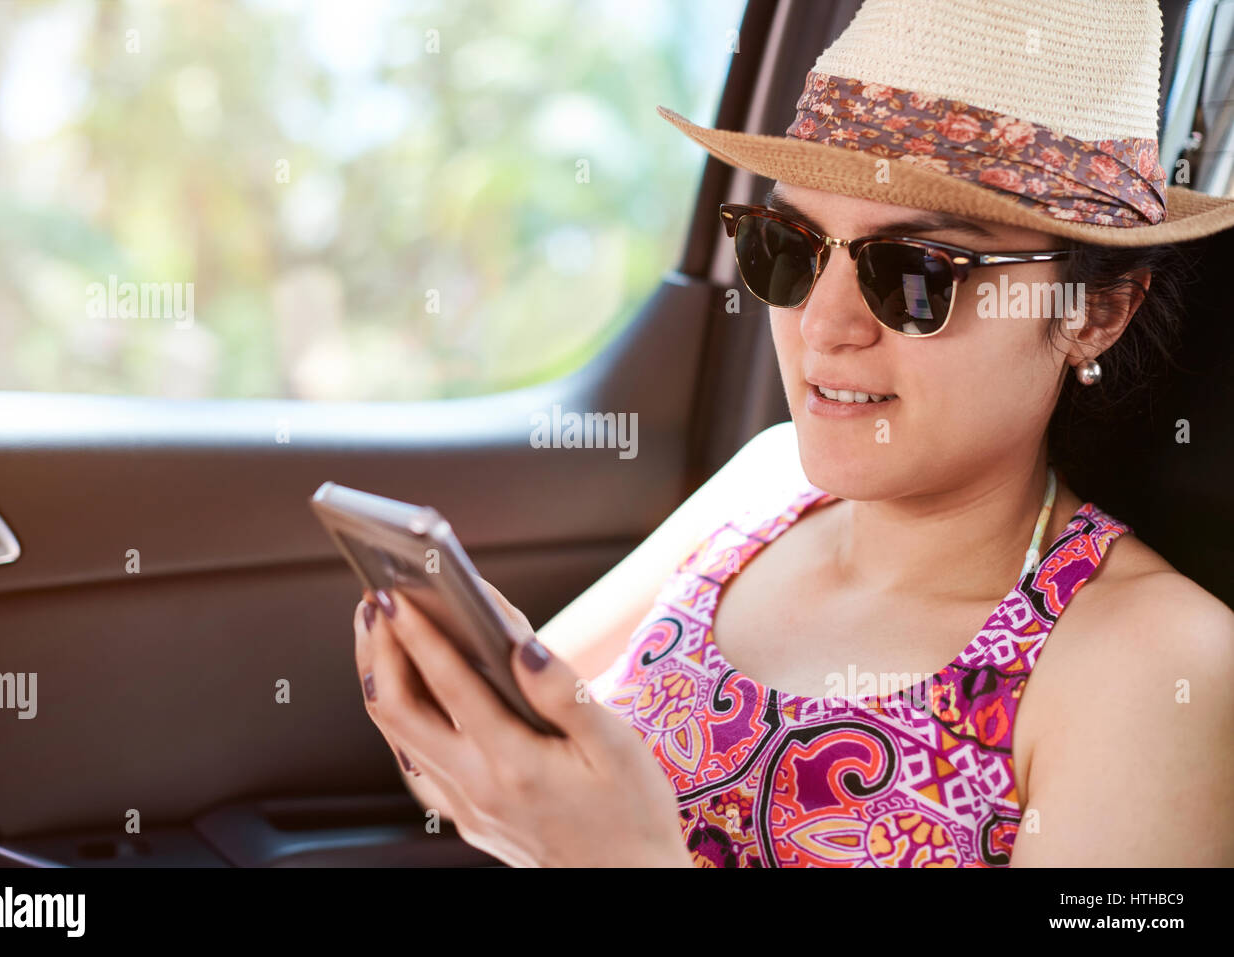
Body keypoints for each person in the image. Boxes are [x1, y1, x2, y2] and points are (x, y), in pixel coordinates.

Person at [351, 0, 1234, 866]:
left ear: (1099, 310)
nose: (824, 325)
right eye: (788, 245)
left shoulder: (1161, 668)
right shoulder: (766, 488)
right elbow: (484, 779)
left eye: (915, 273)